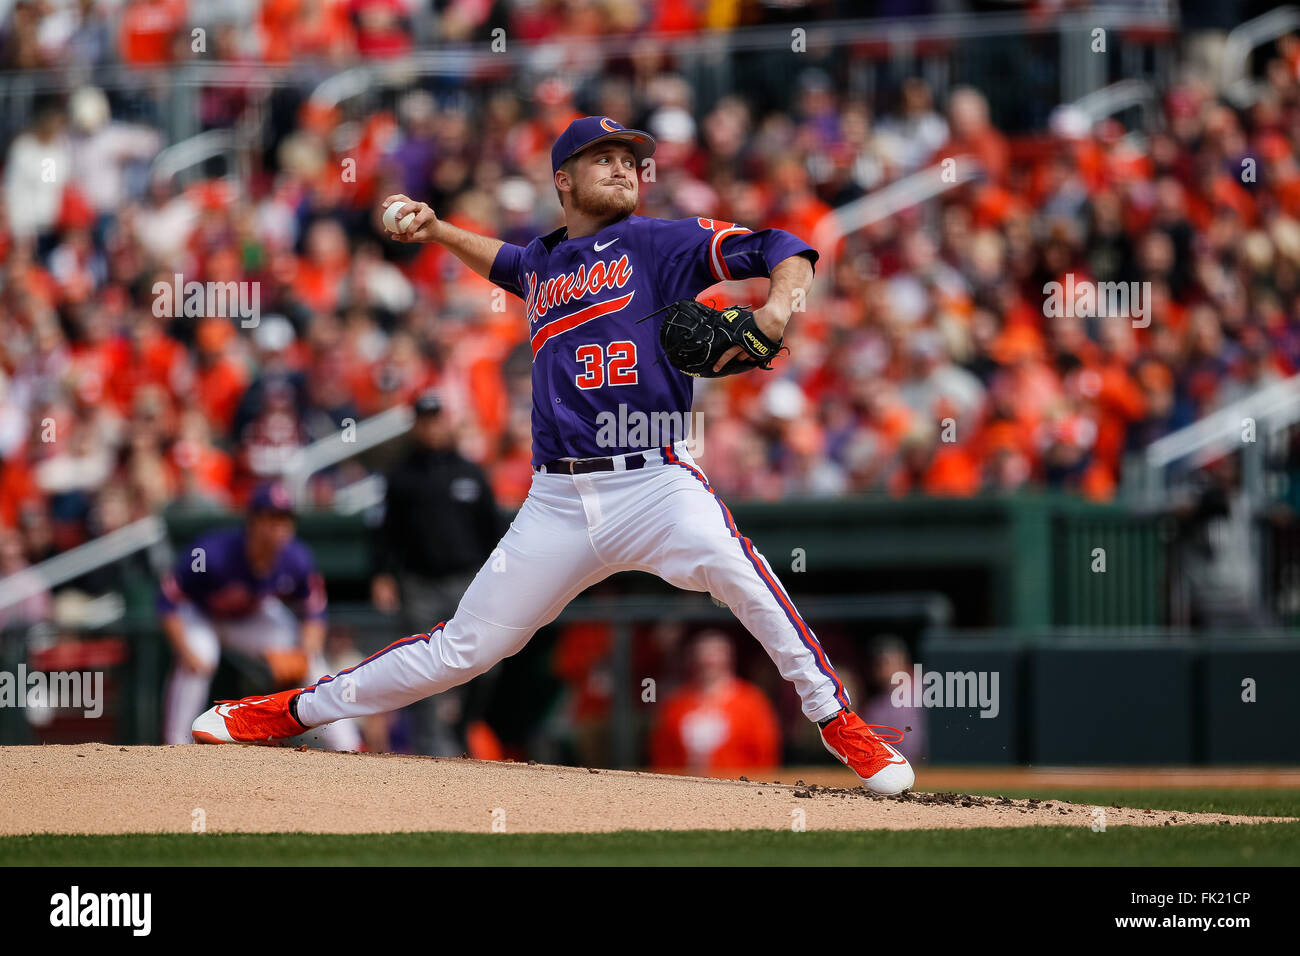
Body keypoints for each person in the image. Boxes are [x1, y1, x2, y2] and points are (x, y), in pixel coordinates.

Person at [192, 115, 913, 794]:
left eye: (632, 160)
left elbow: (782, 246)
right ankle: (283, 714)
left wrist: (779, 304)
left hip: (654, 480)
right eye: (605, 159)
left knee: (744, 575)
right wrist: (440, 229)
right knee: (462, 651)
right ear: (562, 178)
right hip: (557, 500)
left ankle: (840, 723)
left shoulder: (659, 244)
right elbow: (509, 264)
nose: (625, 169)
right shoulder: (543, 262)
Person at [160, 480, 360, 749]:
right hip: (201, 615)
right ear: (253, 521)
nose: (281, 528)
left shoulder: (296, 557)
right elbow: (168, 599)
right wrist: (184, 649)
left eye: (286, 519)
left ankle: (348, 744)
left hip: (249, 618)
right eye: (272, 519)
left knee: (309, 661)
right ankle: (175, 745)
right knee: (199, 660)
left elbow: (314, 611)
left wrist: (305, 650)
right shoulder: (212, 553)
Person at [370, 389, 504, 754]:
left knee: (487, 664)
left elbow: (494, 530)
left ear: (446, 422)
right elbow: (384, 532)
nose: (431, 429)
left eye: (436, 420)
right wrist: (382, 575)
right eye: (424, 421)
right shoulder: (401, 476)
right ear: (417, 425)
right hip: (419, 584)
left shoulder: (470, 472)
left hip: (468, 583)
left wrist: (498, 578)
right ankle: (432, 749)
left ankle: (462, 728)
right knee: (421, 667)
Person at [649, 630, 781, 772]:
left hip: (738, 789)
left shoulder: (752, 702)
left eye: (715, 659)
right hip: (685, 789)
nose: (708, 663)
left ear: (729, 660)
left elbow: (766, 755)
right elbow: (662, 755)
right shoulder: (676, 704)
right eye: (703, 659)